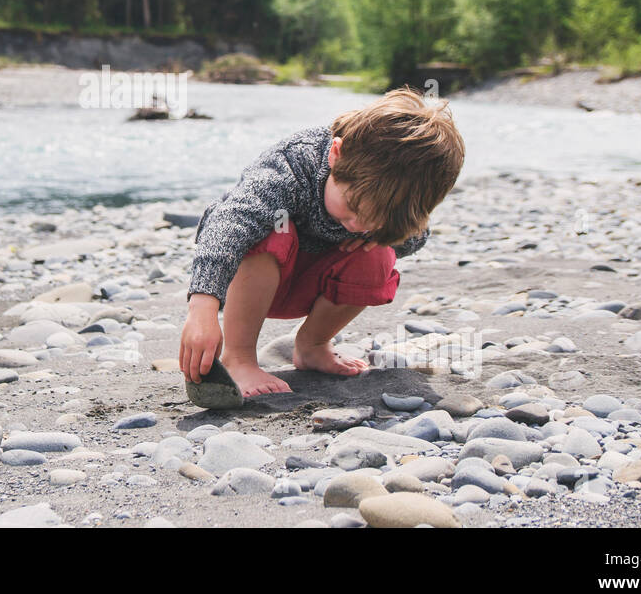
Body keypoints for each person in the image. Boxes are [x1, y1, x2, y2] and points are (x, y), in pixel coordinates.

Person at [178, 87, 465, 399]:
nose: (359, 225)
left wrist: (386, 235)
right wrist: (203, 306)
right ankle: (239, 357)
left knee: (380, 253)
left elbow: (418, 236)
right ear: (335, 155)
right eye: (354, 208)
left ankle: (312, 346)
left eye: (376, 219)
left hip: (315, 289)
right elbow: (229, 221)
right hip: (250, 282)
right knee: (276, 227)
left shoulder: (388, 203)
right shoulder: (293, 163)